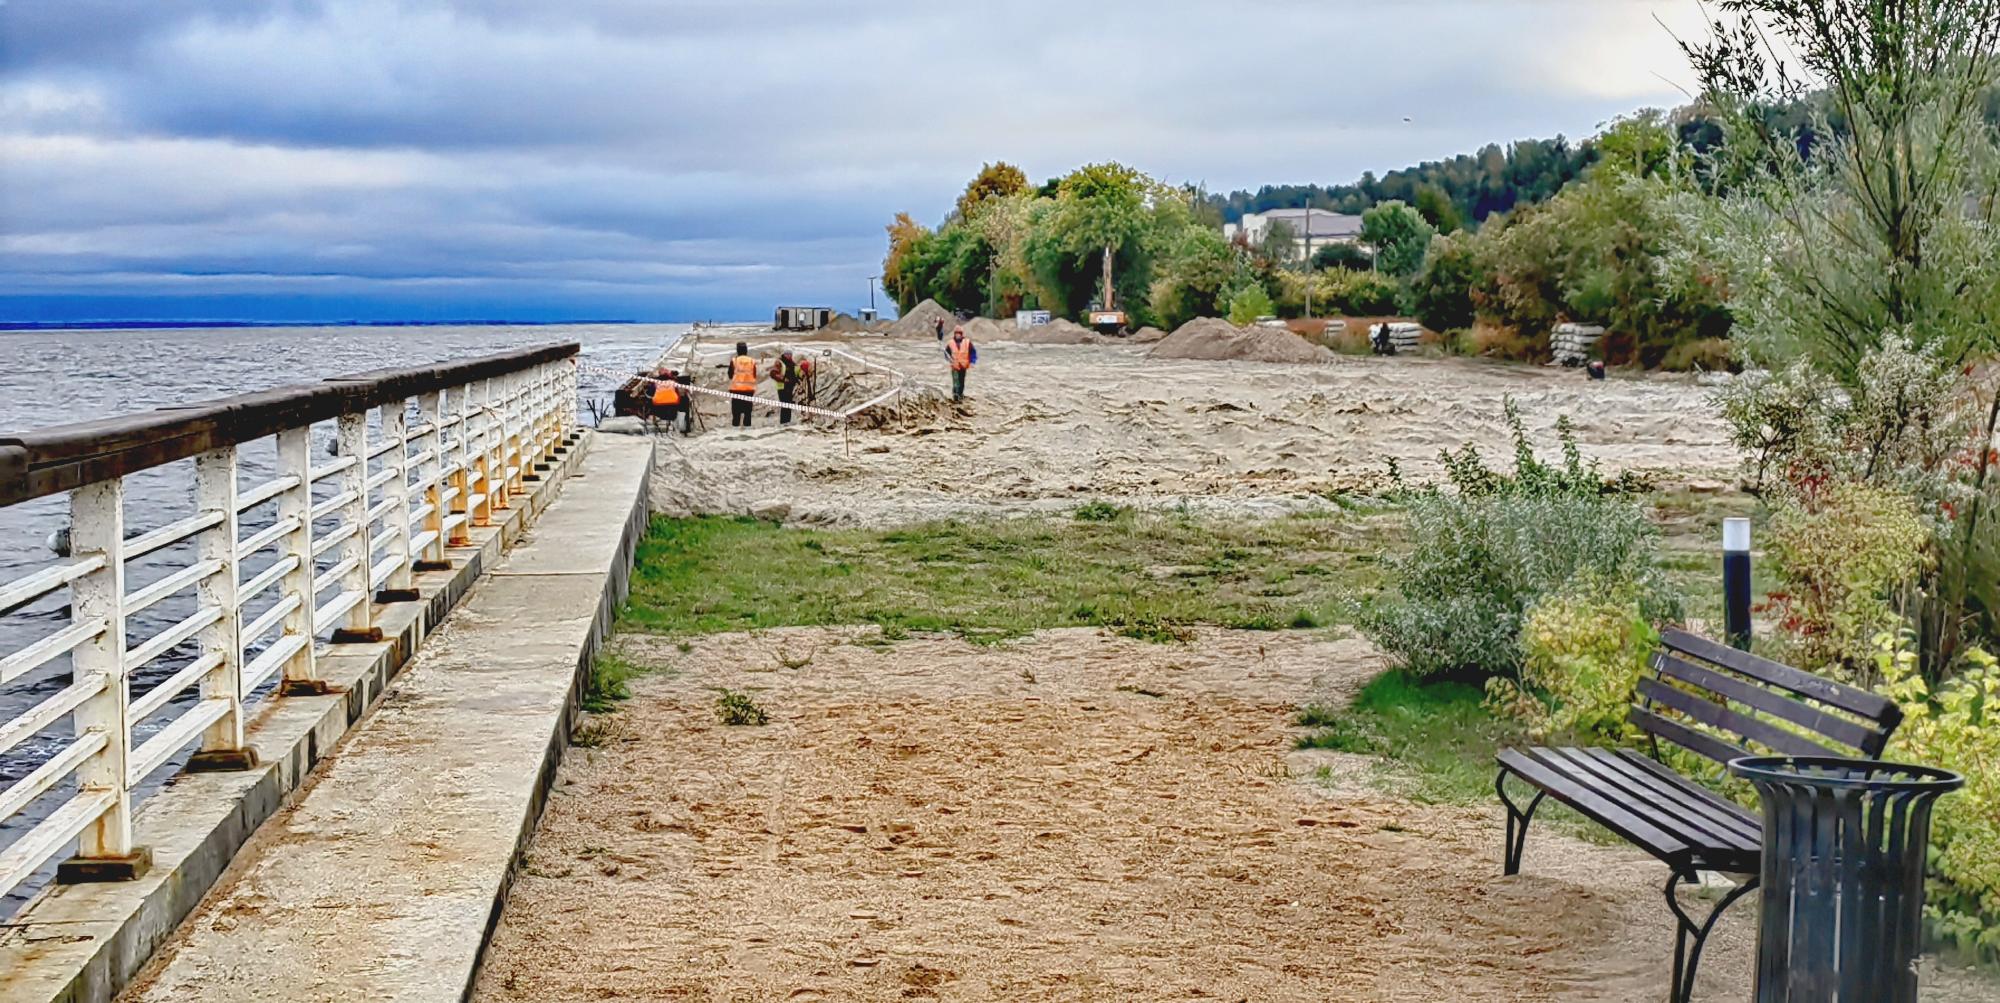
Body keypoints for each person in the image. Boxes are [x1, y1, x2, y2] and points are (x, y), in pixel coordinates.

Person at [725, 342, 758, 427]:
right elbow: (754, 374)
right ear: (746, 350)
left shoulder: (734, 361)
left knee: (736, 415)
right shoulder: (752, 361)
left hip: (736, 391)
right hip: (749, 391)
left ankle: (735, 435)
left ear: (737, 350)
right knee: (748, 415)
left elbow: (730, 375)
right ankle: (747, 435)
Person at [649, 366, 688, 434]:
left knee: (650, 401)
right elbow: (680, 392)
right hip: (672, 410)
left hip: (658, 411)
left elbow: (649, 394)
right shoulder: (673, 383)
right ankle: (683, 426)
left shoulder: (655, 383)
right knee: (684, 401)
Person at [768, 350, 803, 425]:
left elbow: (797, 374)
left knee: (788, 406)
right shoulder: (779, 362)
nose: (789, 355)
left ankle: (787, 423)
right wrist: (783, 379)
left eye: (790, 354)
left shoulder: (793, 364)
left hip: (791, 387)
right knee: (784, 406)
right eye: (787, 354)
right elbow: (773, 373)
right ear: (784, 354)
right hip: (782, 387)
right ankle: (783, 423)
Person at [944, 326, 976, 401]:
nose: (958, 335)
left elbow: (973, 352)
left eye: (959, 333)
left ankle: (960, 395)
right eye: (956, 333)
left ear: (962, 334)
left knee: (961, 382)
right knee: (956, 383)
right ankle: (955, 397)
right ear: (954, 334)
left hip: (963, 366)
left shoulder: (967, 342)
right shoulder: (950, 343)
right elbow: (946, 353)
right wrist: (949, 360)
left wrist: (972, 361)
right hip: (954, 366)